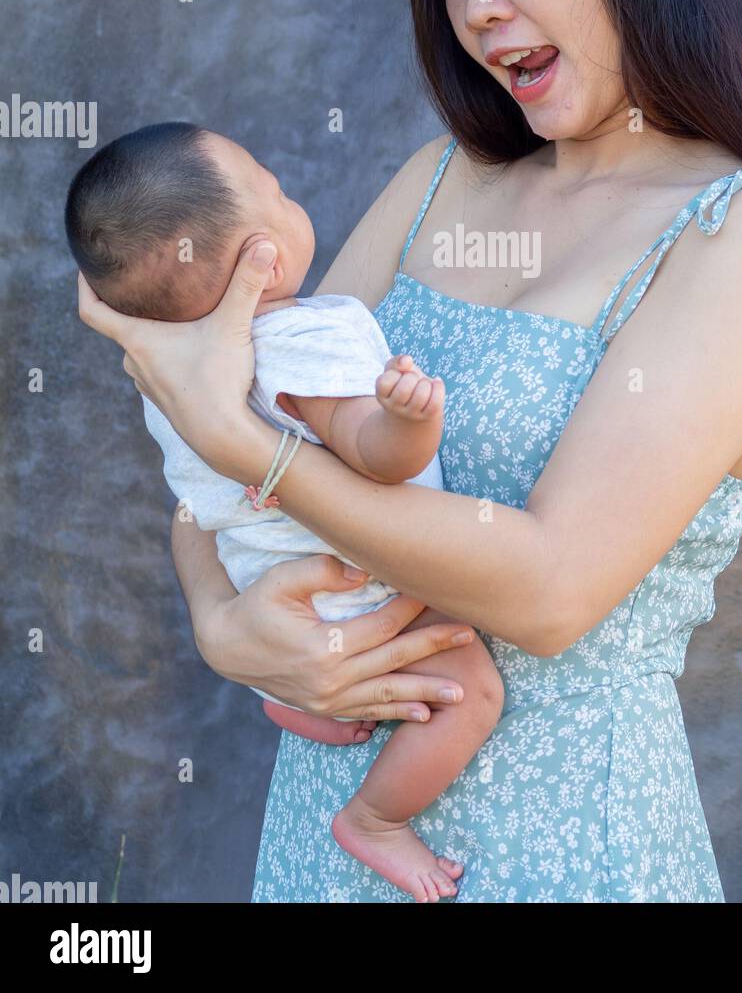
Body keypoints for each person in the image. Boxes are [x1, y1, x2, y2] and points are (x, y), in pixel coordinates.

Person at [78, 0, 742, 902]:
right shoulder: (440, 181)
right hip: (324, 842)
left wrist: (247, 448)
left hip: (558, 853)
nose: (477, 5)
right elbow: (214, 491)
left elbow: (549, 590)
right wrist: (220, 622)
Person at [65, 120, 505, 902]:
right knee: (470, 691)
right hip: (361, 586)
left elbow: (195, 505)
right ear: (260, 260)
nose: (290, 198)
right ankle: (374, 820)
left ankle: (301, 705)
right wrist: (411, 421)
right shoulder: (306, 337)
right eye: (275, 191)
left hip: (270, 584)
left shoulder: (174, 375)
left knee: (354, 674)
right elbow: (373, 457)